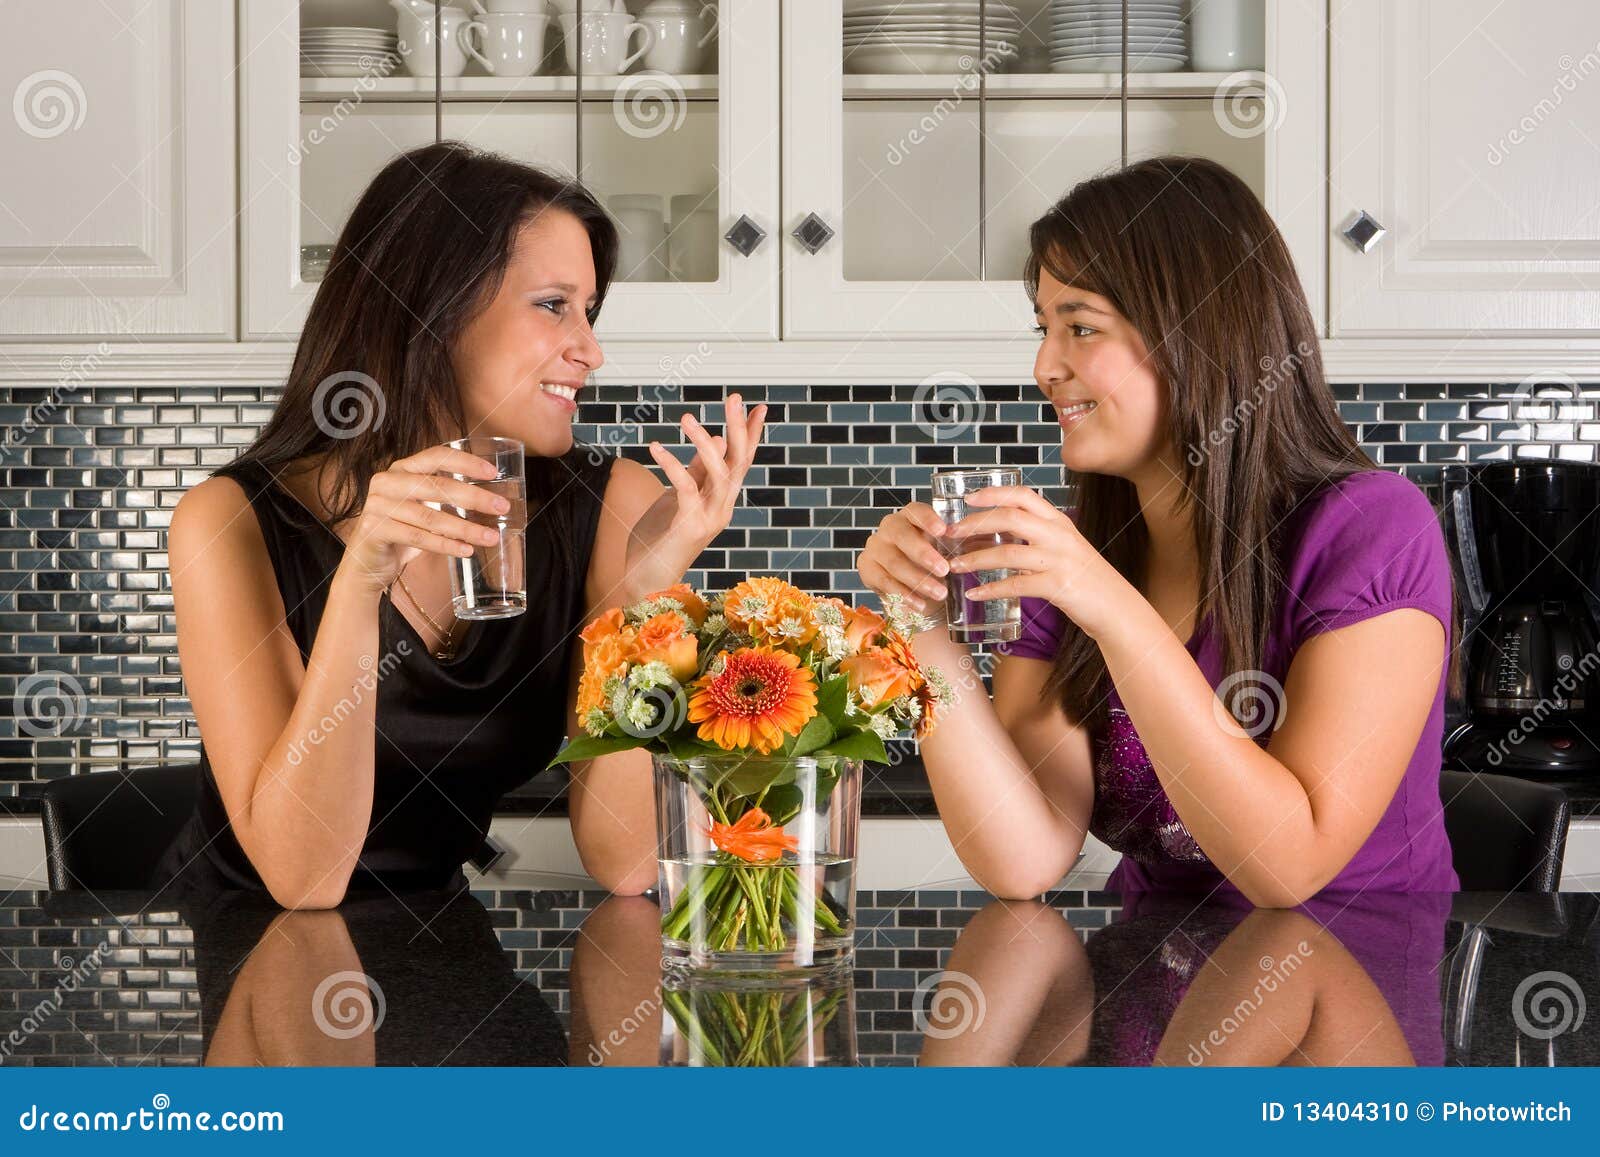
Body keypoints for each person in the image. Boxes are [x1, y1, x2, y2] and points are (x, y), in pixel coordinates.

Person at [155, 142, 762, 908]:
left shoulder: (612, 509)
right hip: (250, 953)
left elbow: (628, 859)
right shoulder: (230, 523)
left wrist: (643, 594)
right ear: (434, 307)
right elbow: (303, 878)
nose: (591, 350)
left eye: (590, 311)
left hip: (443, 949)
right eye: (553, 305)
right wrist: (361, 582)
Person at [858, 155, 1459, 904]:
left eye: (1080, 327)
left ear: (1199, 330)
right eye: (1044, 328)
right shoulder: (1074, 559)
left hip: (1349, 990)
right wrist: (924, 632)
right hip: (1150, 995)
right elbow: (1023, 856)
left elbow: (1290, 865)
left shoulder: (1372, 529)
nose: (1045, 364)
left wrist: (1107, 603)